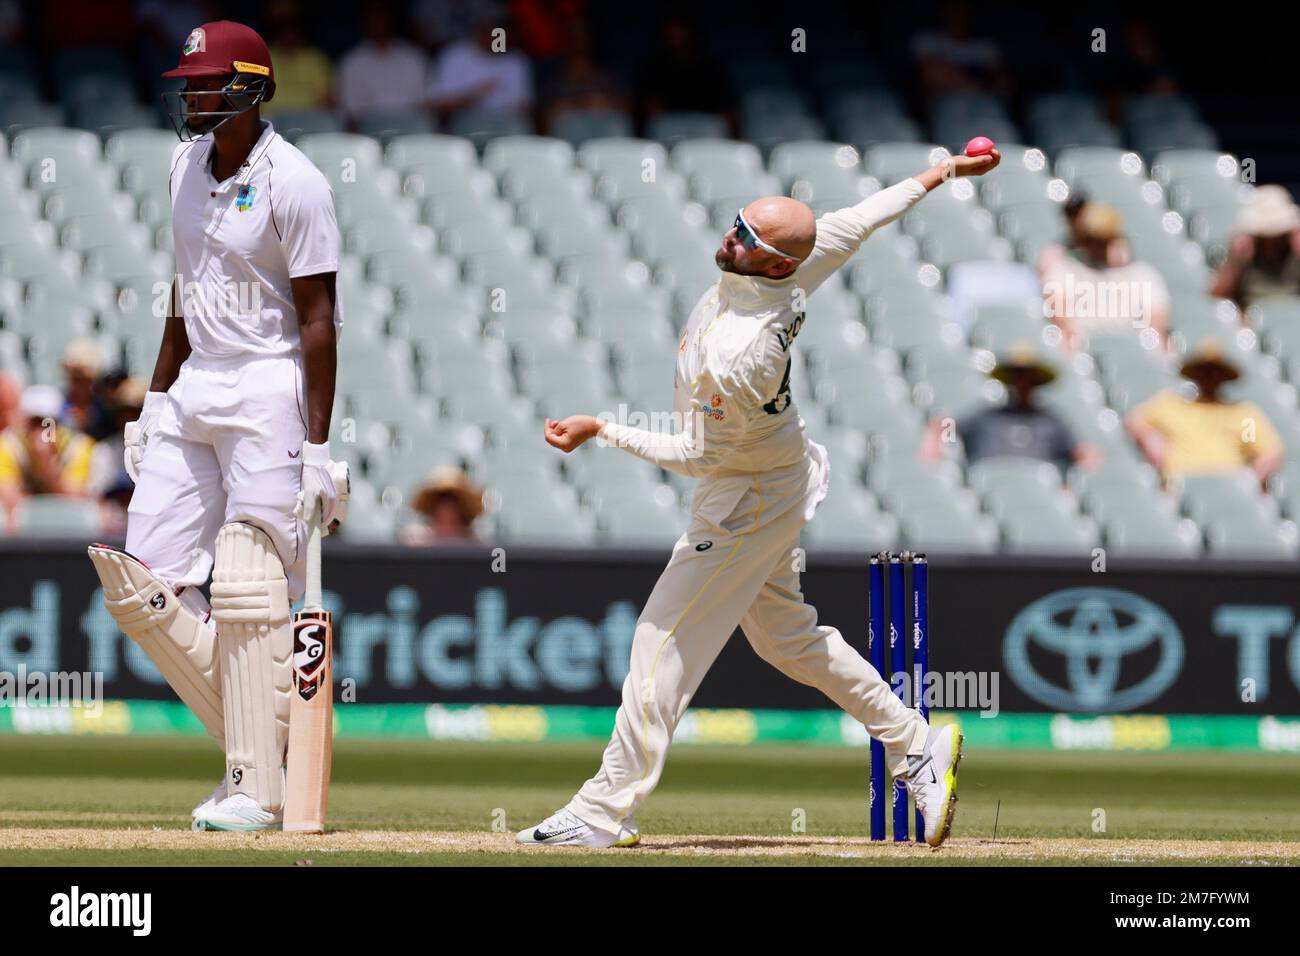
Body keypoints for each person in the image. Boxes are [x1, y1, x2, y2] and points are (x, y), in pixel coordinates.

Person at [522, 147, 1003, 849]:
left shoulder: (742, 352)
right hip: (771, 475)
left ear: (777, 265)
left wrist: (605, 430)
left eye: (747, 239)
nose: (731, 240)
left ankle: (601, 811)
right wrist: (947, 171)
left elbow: (699, 455)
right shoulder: (784, 266)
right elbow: (866, 216)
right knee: (786, 640)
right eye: (736, 225)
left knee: (661, 645)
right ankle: (914, 742)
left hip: (743, 497)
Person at [87, 20, 348, 833]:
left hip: (269, 386)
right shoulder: (181, 164)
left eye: (204, 83)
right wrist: (156, 399)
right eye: (188, 83)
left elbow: (319, 321)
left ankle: (251, 785)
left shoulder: (295, 182)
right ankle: (266, 742)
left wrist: (319, 446)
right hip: (195, 384)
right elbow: (183, 290)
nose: (190, 94)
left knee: (242, 578)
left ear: (249, 88)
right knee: (138, 582)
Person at [1126, 339, 1283, 488]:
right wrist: (1149, 437)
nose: (1210, 376)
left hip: (1227, 484)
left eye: (1215, 371)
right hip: (1181, 486)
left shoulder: (1242, 414)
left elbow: (1269, 451)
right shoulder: (1171, 405)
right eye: (1205, 371)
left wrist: (1248, 482)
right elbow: (1135, 419)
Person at [922, 341, 1100, 470]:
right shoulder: (986, 417)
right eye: (1017, 376)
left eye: (1027, 377)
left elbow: (1081, 452)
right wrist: (934, 446)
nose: (1022, 383)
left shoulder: (1051, 422)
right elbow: (945, 426)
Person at [1040, 201, 1169, 348]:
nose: (1100, 247)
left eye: (1107, 240)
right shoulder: (1064, 272)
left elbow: (1156, 327)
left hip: (1130, 352)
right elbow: (1063, 324)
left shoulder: (1143, 275)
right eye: (1094, 241)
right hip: (1086, 353)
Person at [0, 384, 96, 527]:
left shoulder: (78, 447)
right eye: (35, 422)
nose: (42, 430)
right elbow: (9, 498)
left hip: (66, 526)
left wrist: (47, 463)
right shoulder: (8, 445)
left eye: (48, 423)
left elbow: (75, 501)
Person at [426, 10, 534, 124]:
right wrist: (473, 96)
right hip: (463, 121)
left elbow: (524, 107)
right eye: (493, 33)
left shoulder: (516, 60)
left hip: (505, 123)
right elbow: (435, 106)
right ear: (480, 31)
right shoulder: (454, 55)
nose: (499, 39)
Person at [336, 2, 429, 125]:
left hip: (409, 131)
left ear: (391, 20)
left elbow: (425, 105)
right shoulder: (351, 62)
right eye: (373, 16)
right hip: (369, 133)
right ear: (364, 21)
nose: (378, 22)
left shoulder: (414, 58)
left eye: (382, 16)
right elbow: (349, 111)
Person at [1209, 185, 1300, 309]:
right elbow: (1215, 297)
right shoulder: (1242, 251)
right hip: (1253, 319)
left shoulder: (1295, 251)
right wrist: (1236, 262)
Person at [400, 466, 485, 544]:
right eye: (441, 499)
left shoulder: (474, 541)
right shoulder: (417, 537)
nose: (445, 507)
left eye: (452, 499)